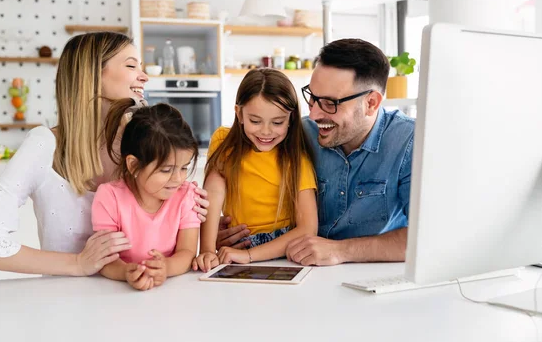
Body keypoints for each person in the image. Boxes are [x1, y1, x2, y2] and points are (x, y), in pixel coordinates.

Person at [0, 32, 208, 278]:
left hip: (139, 299)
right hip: (67, 305)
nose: (144, 77)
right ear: (93, 76)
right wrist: (78, 263)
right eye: (132, 66)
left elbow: (173, 229)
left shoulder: (141, 141)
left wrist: (199, 214)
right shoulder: (44, 145)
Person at [217, 39, 415, 266]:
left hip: (373, 279)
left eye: (330, 103)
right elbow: (251, 181)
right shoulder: (298, 134)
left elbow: (426, 238)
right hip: (296, 268)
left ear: (371, 102)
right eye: (312, 97)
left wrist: (341, 251)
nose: (314, 115)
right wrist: (226, 229)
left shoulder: (409, 141)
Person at [193, 69, 318, 272]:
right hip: (234, 248)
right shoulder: (223, 141)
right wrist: (206, 250)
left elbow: (308, 228)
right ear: (239, 114)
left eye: (277, 122)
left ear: (291, 119)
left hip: (282, 249)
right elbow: (213, 195)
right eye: (255, 121)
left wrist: (248, 256)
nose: (266, 131)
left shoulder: (295, 158)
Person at [92, 100, 200, 290]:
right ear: (133, 165)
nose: (178, 179)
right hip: (113, 293)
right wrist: (126, 272)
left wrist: (166, 267)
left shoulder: (187, 196)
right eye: (166, 170)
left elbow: (187, 252)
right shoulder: (109, 197)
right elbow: (105, 258)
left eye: (184, 168)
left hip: (173, 291)